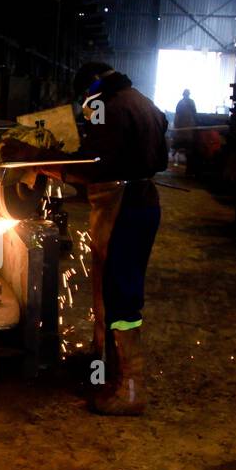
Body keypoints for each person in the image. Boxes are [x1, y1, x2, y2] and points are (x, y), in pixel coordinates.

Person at [62, 62, 168, 416]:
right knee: (119, 289)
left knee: (121, 295)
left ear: (93, 87)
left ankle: (131, 389)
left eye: (86, 98)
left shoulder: (111, 107)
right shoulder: (143, 101)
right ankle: (111, 371)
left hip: (125, 207)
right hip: (145, 204)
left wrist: (50, 165)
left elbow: (97, 165)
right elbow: (161, 159)